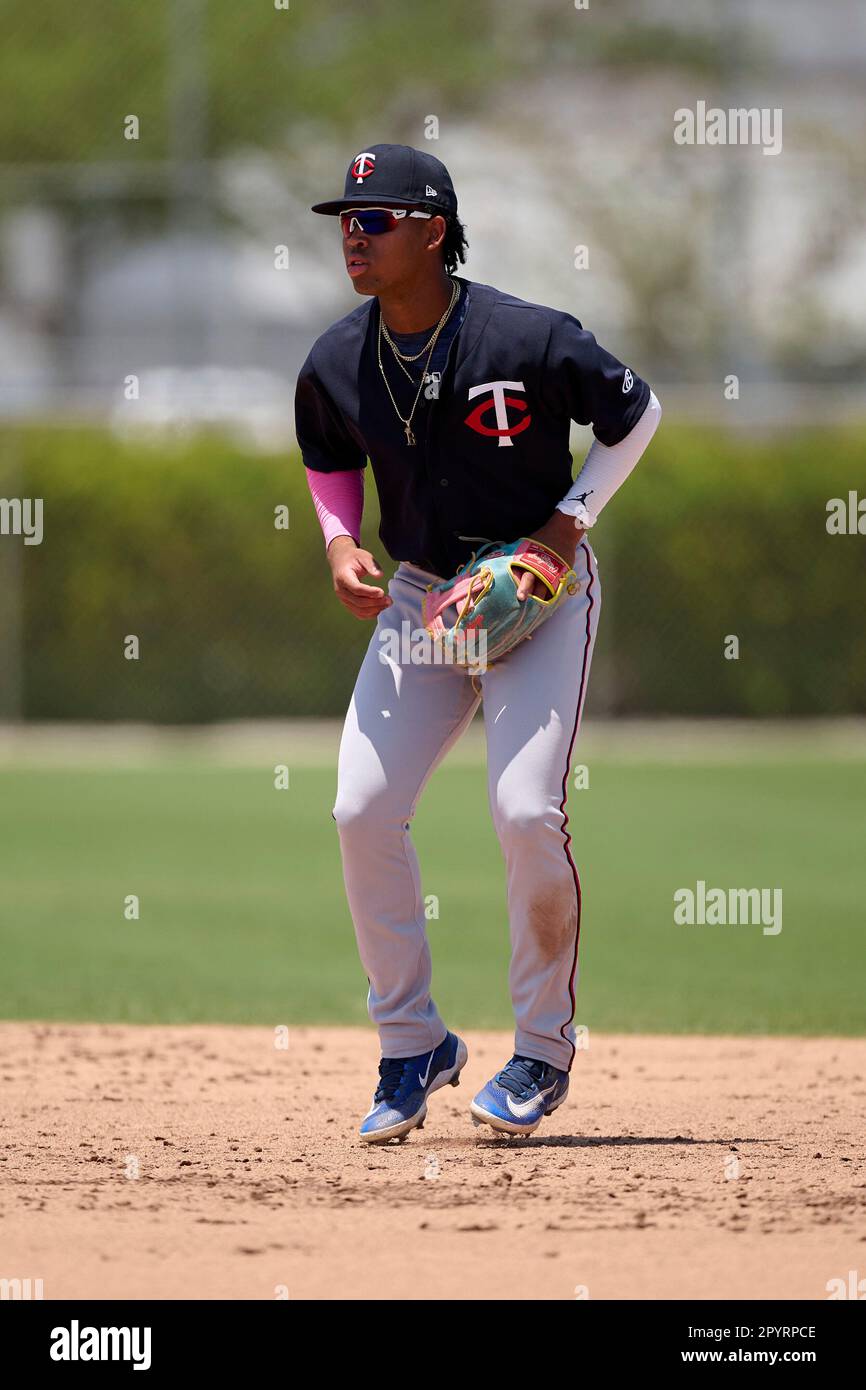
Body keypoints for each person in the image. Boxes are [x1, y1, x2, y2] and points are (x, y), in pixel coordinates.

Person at [295, 143, 661, 1143]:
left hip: (537, 595)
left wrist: (566, 522)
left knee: (521, 809)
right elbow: (329, 454)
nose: (351, 235)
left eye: (372, 219)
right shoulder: (337, 356)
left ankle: (541, 1050)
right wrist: (336, 541)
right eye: (344, 218)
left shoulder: (526, 336)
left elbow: (637, 414)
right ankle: (411, 1043)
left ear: (431, 229)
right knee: (359, 805)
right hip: (422, 600)